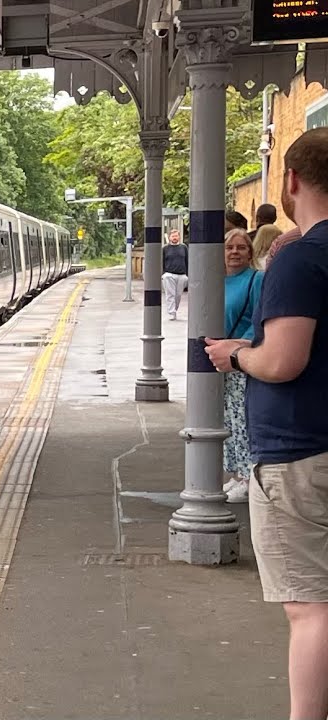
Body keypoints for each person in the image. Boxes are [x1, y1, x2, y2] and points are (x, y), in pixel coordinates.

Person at [205, 126, 328, 720]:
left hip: (301, 454)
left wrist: (236, 355)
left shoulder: (299, 259)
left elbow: (282, 361)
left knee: (310, 606)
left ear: (291, 181)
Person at [218, 228, 264, 503]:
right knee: (228, 420)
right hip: (219, 360)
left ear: (250, 252)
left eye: (241, 248)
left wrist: (240, 346)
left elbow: (260, 320)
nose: (235, 252)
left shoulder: (257, 280)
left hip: (241, 361)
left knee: (243, 419)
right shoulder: (216, 281)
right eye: (229, 248)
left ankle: (249, 478)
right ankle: (236, 474)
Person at [162, 229, 188, 320]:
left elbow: (187, 261)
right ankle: (172, 312)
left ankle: (174, 310)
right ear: (169, 237)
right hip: (169, 274)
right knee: (170, 294)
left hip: (182, 275)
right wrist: (163, 273)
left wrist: (188, 275)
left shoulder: (183, 247)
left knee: (178, 295)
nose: (174, 238)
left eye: (176, 236)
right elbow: (161, 261)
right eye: (173, 236)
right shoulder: (165, 248)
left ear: (179, 237)